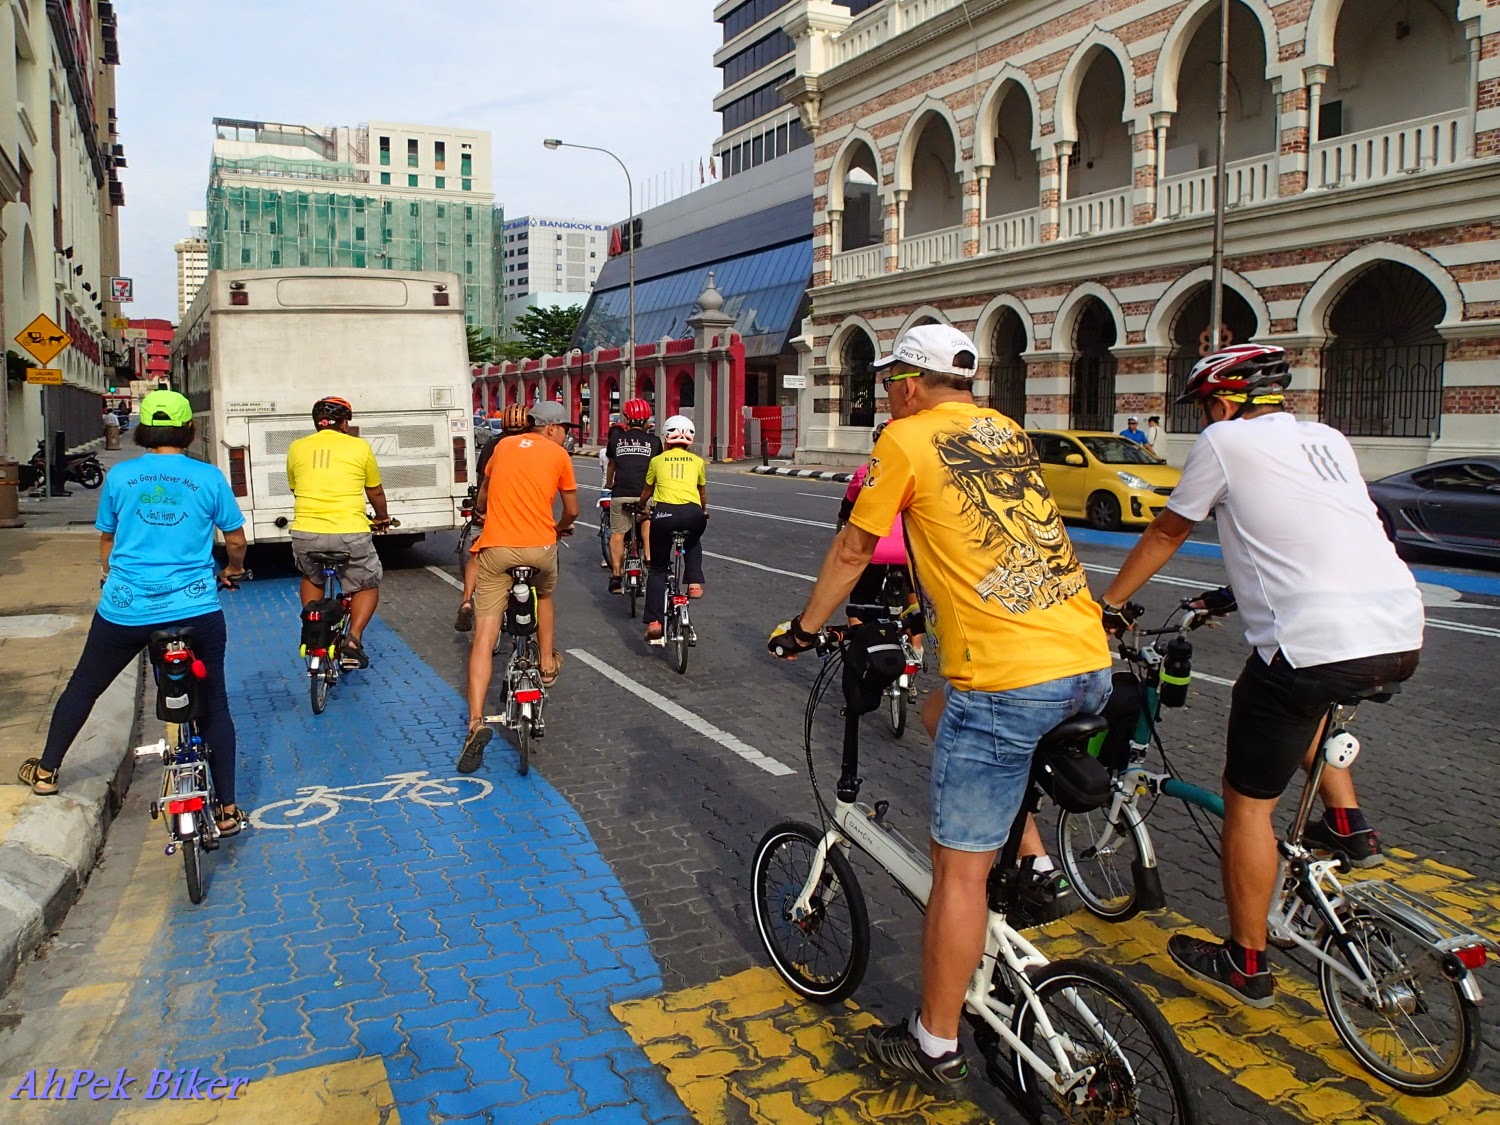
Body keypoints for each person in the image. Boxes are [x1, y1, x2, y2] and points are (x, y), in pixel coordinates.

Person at [768, 324, 1110, 1084]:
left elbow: (857, 547)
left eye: (891, 378)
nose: (887, 389)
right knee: (938, 714)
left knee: (955, 869)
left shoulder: (907, 437)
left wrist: (804, 627)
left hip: (1011, 680)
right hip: (1085, 662)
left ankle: (934, 1041)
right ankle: (1032, 861)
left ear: (909, 383)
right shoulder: (1006, 429)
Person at [1099, 343, 1423, 1009]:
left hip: (1312, 643)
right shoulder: (1329, 437)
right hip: (1398, 629)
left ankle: (1245, 960)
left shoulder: (1223, 440)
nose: (1207, 415)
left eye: (1207, 404)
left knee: (1248, 799)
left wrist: (1109, 604)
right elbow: (1311, 532)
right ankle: (1349, 822)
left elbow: (1166, 532)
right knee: (1303, 701)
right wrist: (1225, 596)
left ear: (1225, 400)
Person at [18, 390, 250, 836]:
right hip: (195, 609)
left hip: (126, 609)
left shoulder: (122, 476)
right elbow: (235, 541)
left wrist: (112, 574)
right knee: (215, 704)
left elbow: (106, 538)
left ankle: (47, 773)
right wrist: (233, 569)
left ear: (143, 431)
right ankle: (226, 811)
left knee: (85, 685)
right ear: (189, 430)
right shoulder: (208, 477)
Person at [458, 400, 579, 773]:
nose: (566, 435)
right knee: (544, 595)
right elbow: (573, 510)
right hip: (539, 549)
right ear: (550, 428)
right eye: (564, 428)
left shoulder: (501, 447)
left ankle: (475, 722)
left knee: (484, 637)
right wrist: (557, 530)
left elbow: (483, 495)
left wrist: (482, 512)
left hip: (496, 548)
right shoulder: (558, 455)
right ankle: (545, 664)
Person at [285, 397, 391, 669]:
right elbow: (374, 491)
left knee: (312, 575)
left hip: (306, 532)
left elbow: (295, 488)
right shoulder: (359, 447)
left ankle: (312, 629)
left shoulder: (297, 447)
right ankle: (353, 639)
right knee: (366, 583)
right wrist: (381, 518)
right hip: (350, 531)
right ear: (345, 422)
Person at [455, 403, 530, 631]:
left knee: (477, 554)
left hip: (492, 513)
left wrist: (480, 511)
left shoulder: (492, 445)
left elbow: (482, 481)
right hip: (523, 516)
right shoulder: (532, 447)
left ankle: (467, 600)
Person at [639, 415, 707, 646]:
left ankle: (655, 623)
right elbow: (701, 492)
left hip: (664, 516)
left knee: (658, 569)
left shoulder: (657, 461)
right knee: (693, 541)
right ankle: (695, 583)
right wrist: (702, 511)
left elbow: (648, 491)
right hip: (693, 514)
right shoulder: (697, 462)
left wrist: (640, 507)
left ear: (666, 437)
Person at [606, 398, 662, 595]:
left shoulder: (615, 440)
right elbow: (657, 469)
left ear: (627, 418)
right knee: (646, 520)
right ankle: (648, 556)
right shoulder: (655, 442)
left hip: (620, 494)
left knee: (617, 533)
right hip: (644, 495)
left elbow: (611, 465)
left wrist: (608, 485)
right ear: (647, 420)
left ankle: (615, 576)